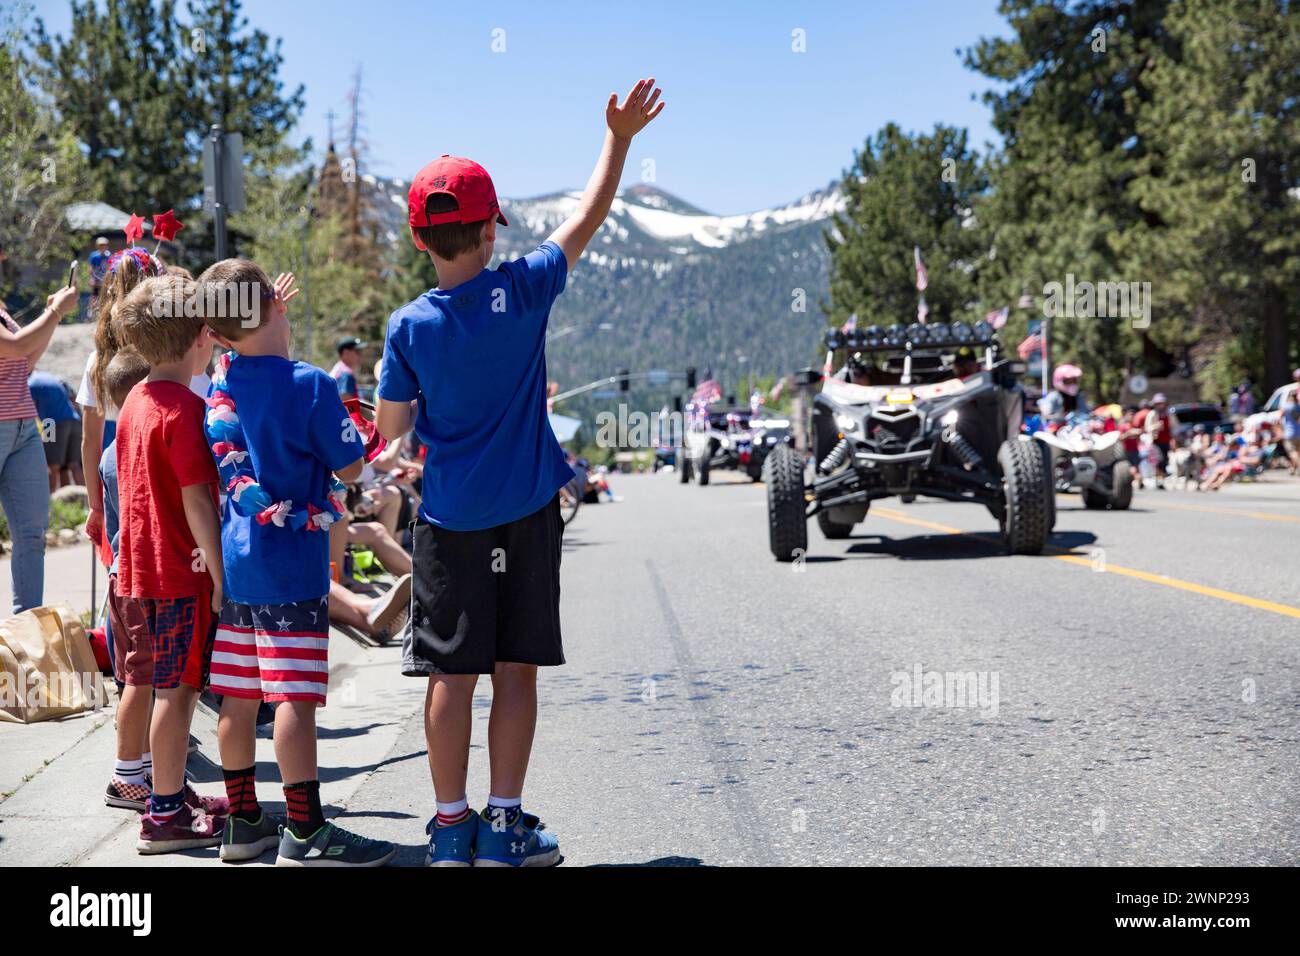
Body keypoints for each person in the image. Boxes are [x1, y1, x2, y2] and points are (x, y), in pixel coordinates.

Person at [376, 77, 664, 867]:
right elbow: (589, 215)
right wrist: (619, 138)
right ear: (490, 231)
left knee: (450, 678)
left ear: (420, 240)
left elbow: (393, 435)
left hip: (449, 524)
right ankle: (504, 828)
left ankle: (448, 827)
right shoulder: (526, 289)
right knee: (515, 673)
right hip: (527, 516)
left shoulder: (407, 328)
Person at [196, 258, 395, 866]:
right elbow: (353, 467)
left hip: (240, 566)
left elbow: (238, 342)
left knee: (237, 697)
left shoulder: (223, 383)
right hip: (292, 568)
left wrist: (255, 311)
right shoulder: (312, 384)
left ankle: (244, 823)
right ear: (278, 308)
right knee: (292, 701)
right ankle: (307, 833)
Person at [111, 274, 229, 854]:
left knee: (162, 685)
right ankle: (162, 818)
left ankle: (170, 792)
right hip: (178, 575)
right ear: (201, 336)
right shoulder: (186, 408)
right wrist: (222, 575)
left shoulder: (135, 398)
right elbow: (196, 498)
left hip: (138, 573)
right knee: (176, 692)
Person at [0, 262, 78, 612]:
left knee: (32, 534)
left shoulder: (2, 309)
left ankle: (26, 631)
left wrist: (54, 317)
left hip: (23, 427)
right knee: (29, 535)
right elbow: (16, 346)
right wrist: (54, 310)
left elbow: (26, 360)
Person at [98, 349, 155, 812]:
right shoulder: (132, 447)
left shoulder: (106, 454)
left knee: (140, 675)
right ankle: (126, 777)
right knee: (140, 677)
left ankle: (148, 766)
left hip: (122, 576)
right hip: (136, 580)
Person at [27, 370, 83, 489]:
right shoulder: (49, 377)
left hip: (50, 423)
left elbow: (27, 410)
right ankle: (81, 502)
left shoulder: (29, 383)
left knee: (52, 465)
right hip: (75, 420)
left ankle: (50, 503)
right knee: (72, 465)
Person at [1280, 371, 1300, 475]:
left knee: (1292, 452)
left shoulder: (1286, 407)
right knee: (1297, 452)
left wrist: (1280, 430)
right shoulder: (1298, 406)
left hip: (1289, 432)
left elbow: (1279, 418)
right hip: (1299, 432)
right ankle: (1293, 469)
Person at [88, 237, 111, 309]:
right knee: (95, 294)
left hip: (105, 278)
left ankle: (104, 308)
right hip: (96, 278)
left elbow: (109, 267)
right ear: (97, 246)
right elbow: (90, 268)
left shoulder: (108, 255)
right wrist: (91, 278)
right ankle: (92, 310)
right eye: (101, 245)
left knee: (105, 293)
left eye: (104, 245)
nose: (102, 247)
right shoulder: (94, 256)